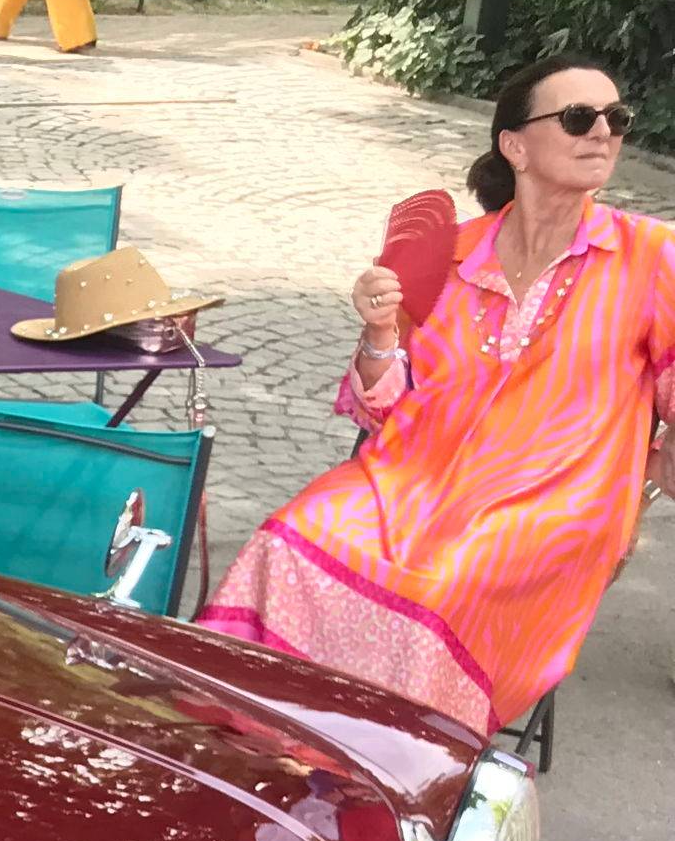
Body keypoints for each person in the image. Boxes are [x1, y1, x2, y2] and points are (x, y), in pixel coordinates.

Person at [199, 57, 675, 738]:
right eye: (578, 118)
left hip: (554, 501)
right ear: (516, 145)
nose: (603, 132)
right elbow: (383, 404)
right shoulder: (453, 252)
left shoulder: (653, 256)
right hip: (410, 477)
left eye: (616, 119)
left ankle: (403, 774)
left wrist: (656, 462)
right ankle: (264, 743)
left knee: (442, 589)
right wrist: (379, 329)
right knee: (290, 539)